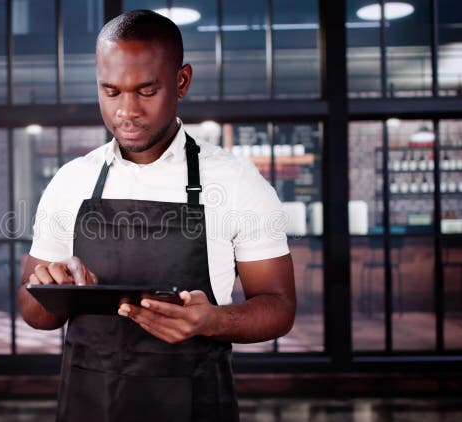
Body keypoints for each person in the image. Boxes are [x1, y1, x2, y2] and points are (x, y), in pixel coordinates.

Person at [18, 9, 296, 422]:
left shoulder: (237, 182)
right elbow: (34, 312)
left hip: (195, 405)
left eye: (146, 91)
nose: (126, 110)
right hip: (88, 403)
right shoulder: (71, 181)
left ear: (181, 81)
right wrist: (54, 289)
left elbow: (280, 307)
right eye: (111, 91)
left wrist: (211, 321)